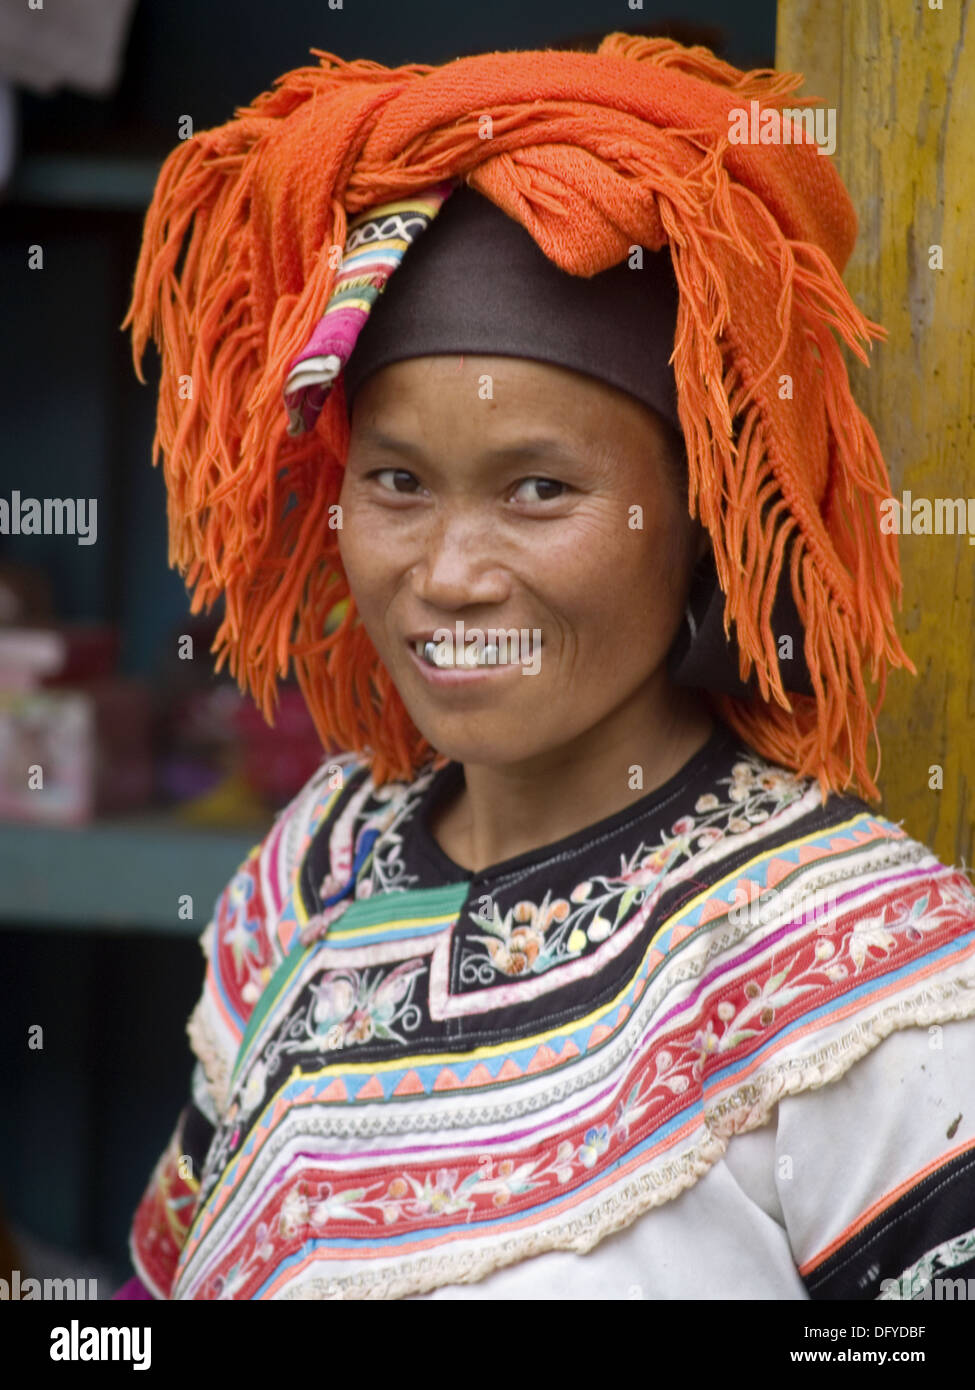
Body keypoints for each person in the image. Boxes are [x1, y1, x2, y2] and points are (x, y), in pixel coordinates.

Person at [116, 33, 975, 1300]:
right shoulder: (313, 874)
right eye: (398, 482)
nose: (451, 571)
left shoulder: (864, 979)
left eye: (538, 489)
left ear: (701, 513)